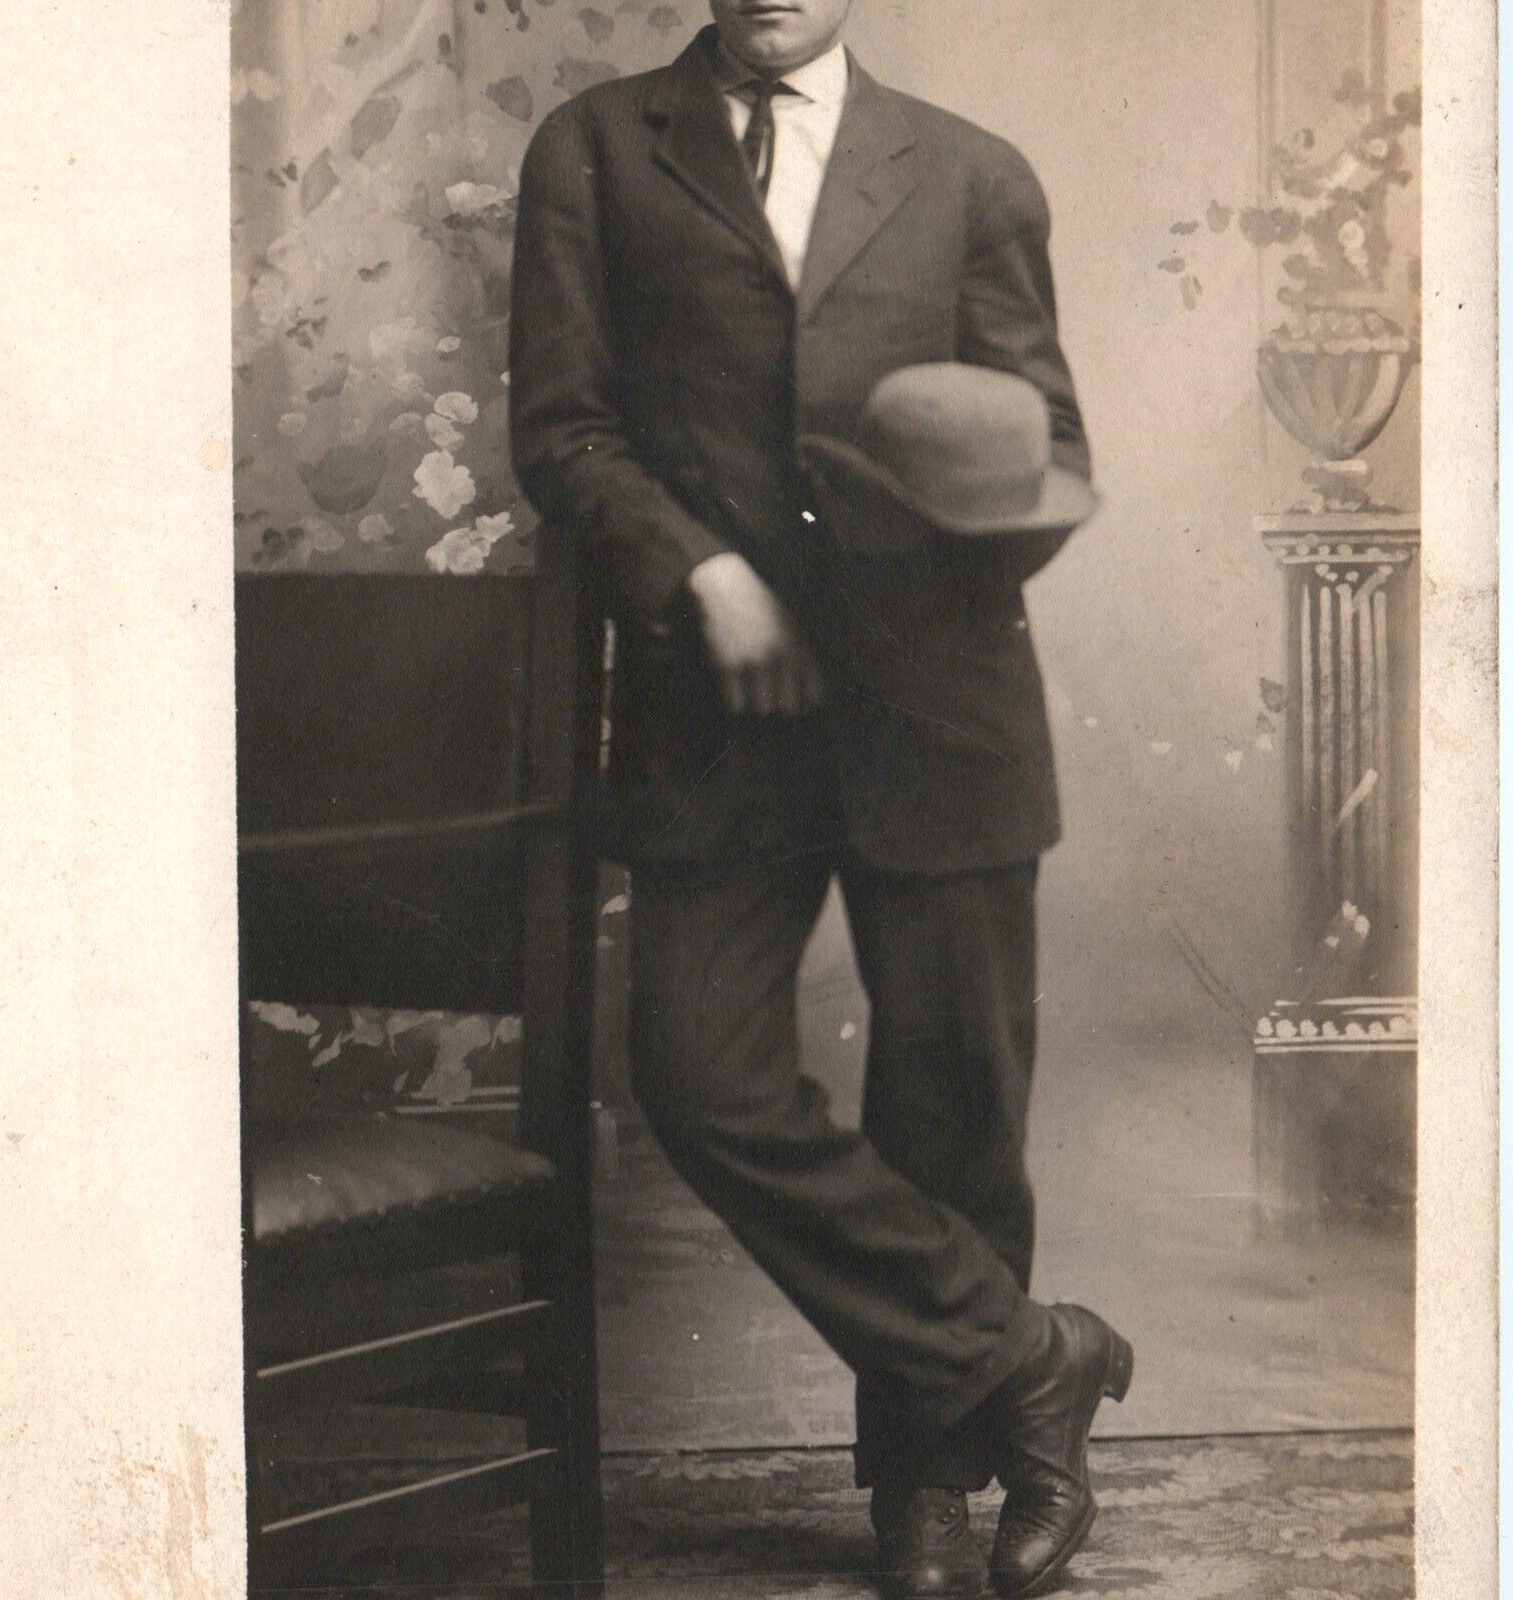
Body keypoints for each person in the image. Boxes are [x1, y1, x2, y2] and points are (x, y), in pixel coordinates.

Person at [509, 4, 1132, 1595]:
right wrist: (699, 572)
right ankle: (1026, 1361)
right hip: (717, 709)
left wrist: (950, 529)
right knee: (699, 1072)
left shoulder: (974, 173)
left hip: (942, 703)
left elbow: (1046, 434)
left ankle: (926, 1489)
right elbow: (565, 429)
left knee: (955, 1116)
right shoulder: (594, 149)